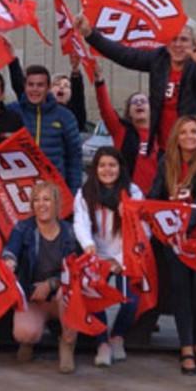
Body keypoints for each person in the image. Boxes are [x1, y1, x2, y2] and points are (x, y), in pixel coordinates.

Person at [77, 14, 196, 152]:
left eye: (184, 40)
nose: (178, 44)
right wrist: (90, 35)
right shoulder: (159, 59)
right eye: (173, 39)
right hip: (166, 150)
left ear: (194, 45)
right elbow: (125, 55)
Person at [149, 115, 196, 375]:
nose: (189, 137)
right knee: (180, 289)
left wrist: (183, 226)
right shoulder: (166, 162)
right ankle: (186, 346)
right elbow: (154, 196)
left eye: (194, 132)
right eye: (184, 132)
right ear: (176, 137)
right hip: (173, 239)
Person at [3, 181, 90, 373]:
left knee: (69, 292)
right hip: (34, 295)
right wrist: (9, 262)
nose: (41, 204)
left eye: (47, 199)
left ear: (57, 204)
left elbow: (77, 270)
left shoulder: (70, 232)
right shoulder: (23, 228)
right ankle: (30, 341)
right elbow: (11, 250)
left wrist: (51, 284)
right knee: (24, 334)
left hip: (60, 294)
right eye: (36, 200)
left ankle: (67, 343)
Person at [77, 147, 144, 366]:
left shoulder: (133, 192)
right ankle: (102, 343)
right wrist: (88, 246)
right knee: (94, 296)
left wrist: (121, 260)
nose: (107, 170)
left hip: (125, 255)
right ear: (95, 168)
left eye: (112, 165)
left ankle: (118, 336)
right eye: (102, 165)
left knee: (131, 299)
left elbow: (142, 228)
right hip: (97, 254)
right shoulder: (86, 192)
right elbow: (81, 223)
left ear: (120, 167)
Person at [8, 64, 84, 193]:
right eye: (30, 85)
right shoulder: (11, 112)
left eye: (40, 85)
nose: (35, 89)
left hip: (54, 192)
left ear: (48, 88)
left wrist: (74, 194)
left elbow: (74, 159)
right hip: (19, 190)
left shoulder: (65, 116)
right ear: (25, 86)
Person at [93, 62, 158, 194]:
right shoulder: (121, 130)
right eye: (134, 102)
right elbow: (106, 109)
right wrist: (100, 81)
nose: (139, 103)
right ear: (129, 111)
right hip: (127, 196)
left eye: (143, 101)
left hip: (156, 196)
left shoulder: (160, 134)